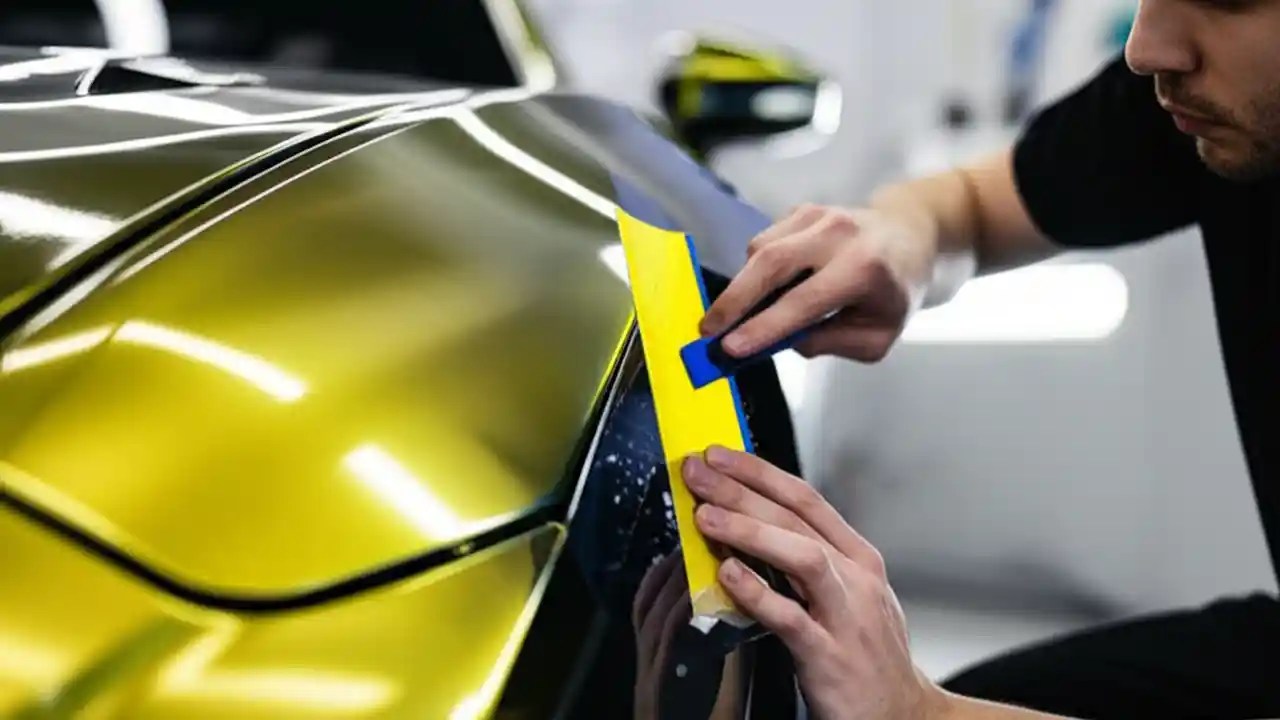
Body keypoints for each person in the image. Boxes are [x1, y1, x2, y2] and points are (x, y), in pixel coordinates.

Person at [683, 0, 1280, 717]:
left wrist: (918, 710)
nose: (1145, 49)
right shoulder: (1210, 100)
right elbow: (969, 205)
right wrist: (901, 237)